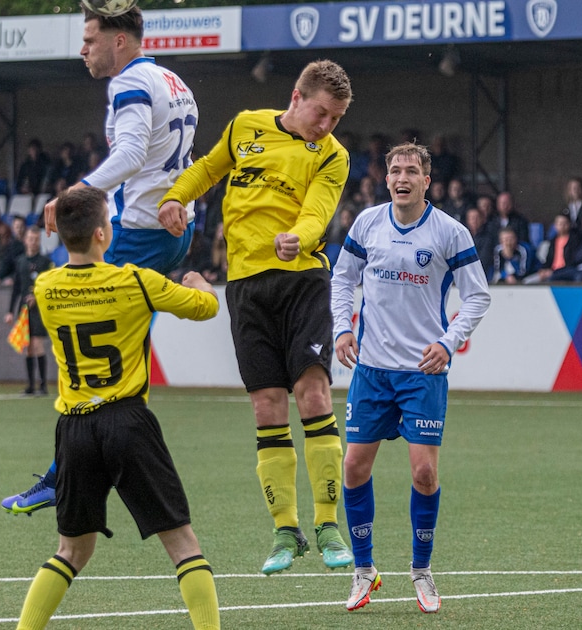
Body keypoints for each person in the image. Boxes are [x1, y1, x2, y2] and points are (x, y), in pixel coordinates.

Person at [5, 5, 203, 516]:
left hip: (136, 233)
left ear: (120, 40)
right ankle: (82, 466)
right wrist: (178, 200)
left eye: (90, 38)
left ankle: (66, 474)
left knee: (84, 356)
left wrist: (76, 192)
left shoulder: (130, 83)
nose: (83, 49)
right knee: (116, 356)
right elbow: (170, 159)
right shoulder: (173, 79)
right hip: (172, 229)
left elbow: (134, 153)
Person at [158, 59, 355, 575]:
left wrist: (302, 237)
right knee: (267, 407)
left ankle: (329, 524)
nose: (327, 125)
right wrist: (177, 196)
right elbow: (206, 169)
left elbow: (318, 211)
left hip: (302, 280)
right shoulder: (246, 126)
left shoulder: (333, 156)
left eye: (335, 118)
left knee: (312, 392)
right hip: (245, 286)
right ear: (296, 96)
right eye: (321, 113)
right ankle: (285, 532)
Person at [14, 186, 220, 630]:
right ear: (104, 233)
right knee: (183, 545)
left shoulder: (45, 286)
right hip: (126, 422)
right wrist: (201, 284)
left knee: (71, 552)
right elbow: (205, 309)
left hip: (72, 430)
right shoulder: (135, 281)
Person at [331, 143, 490, 614]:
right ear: (386, 179)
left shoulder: (450, 231)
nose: (402, 177)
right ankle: (364, 571)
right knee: (354, 467)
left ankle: (421, 571)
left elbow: (477, 297)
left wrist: (448, 342)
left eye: (412, 171)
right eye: (395, 170)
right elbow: (342, 279)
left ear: (427, 181)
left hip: (422, 372)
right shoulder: (367, 223)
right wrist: (342, 327)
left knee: (424, 473)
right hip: (372, 371)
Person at [3, 227, 55, 400]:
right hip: (24, 310)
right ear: (25, 240)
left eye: (36, 239)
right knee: (28, 348)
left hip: (39, 310)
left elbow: (50, 286)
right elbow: (17, 288)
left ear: (39, 241)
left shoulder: (45, 262)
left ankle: (43, 385)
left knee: (37, 344)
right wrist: (10, 311)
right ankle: (31, 385)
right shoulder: (20, 261)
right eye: (30, 239)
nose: (33, 242)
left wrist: (37, 296)